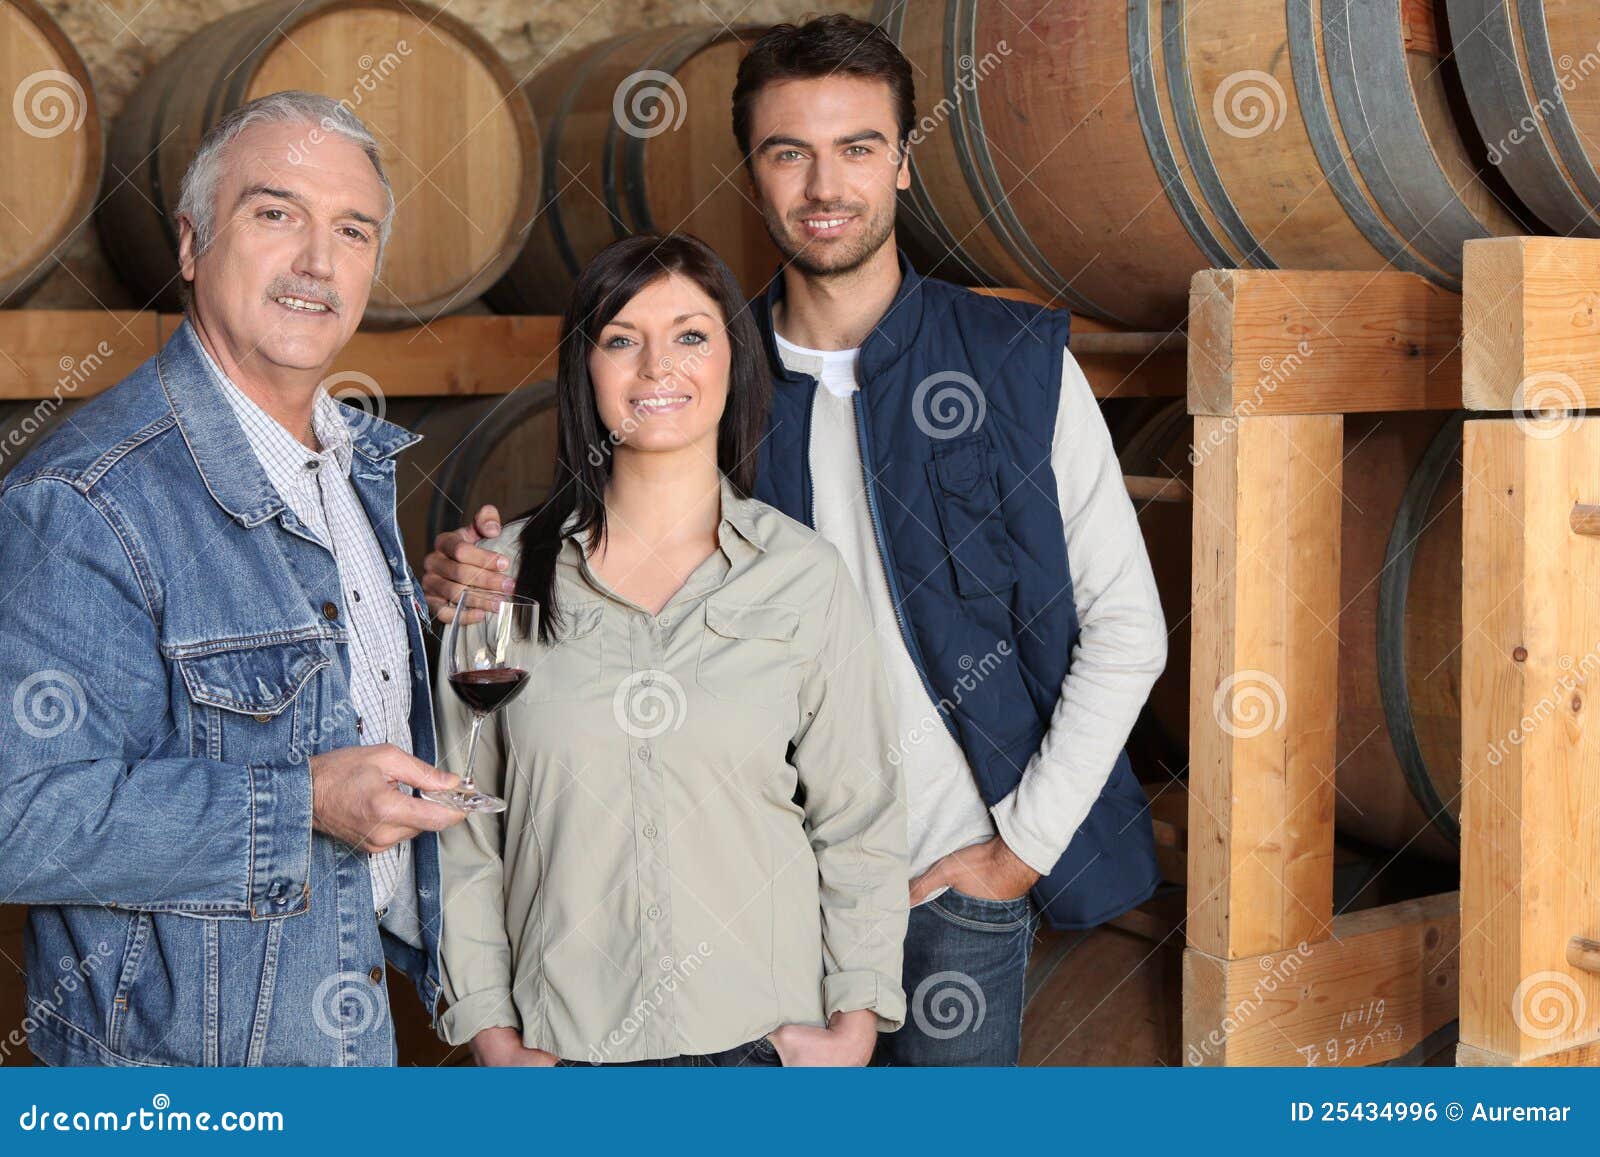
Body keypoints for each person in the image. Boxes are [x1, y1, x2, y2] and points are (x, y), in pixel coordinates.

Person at [423, 15, 1169, 1066]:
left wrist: (1013, 848)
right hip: (747, 892)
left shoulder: (1014, 363)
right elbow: (606, 549)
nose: (826, 185)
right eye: (789, 152)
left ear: (904, 163)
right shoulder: (707, 374)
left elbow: (1127, 627)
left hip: (950, 881)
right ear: (753, 174)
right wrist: (479, 576)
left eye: (858, 146)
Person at [0, 91, 467, 1066]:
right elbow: (22, 818)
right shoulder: (84, 500)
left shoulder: (351, 464)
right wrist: (299, 802)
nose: (315, 260)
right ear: (189, 243)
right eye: (274, 214)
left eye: (351, 229)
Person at [433, 232, 908, 1067]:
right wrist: (491, 1036)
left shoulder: (803, 578)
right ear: (586, 368)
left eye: (691, 334)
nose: (658, 367)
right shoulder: (495, 582)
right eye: (622, 339)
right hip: (562, 1054)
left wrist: (855, 1024)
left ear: (735, 358)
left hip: (761, 1047)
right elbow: (460, 833)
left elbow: (859, 821)